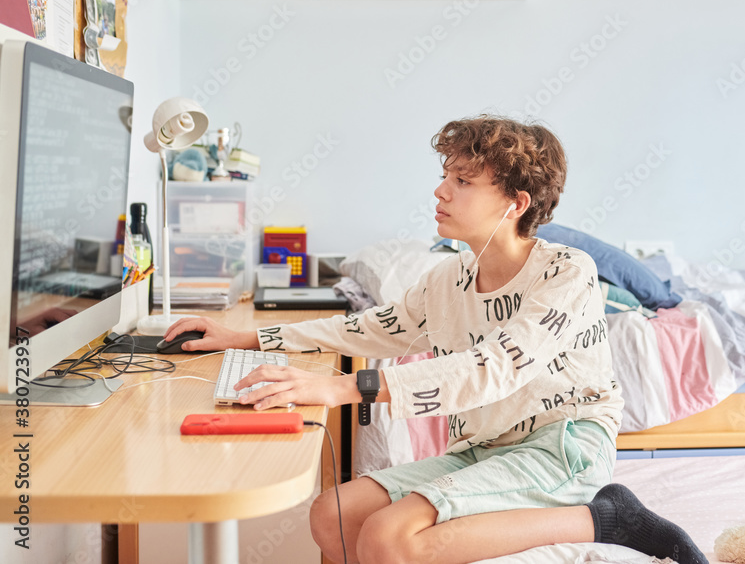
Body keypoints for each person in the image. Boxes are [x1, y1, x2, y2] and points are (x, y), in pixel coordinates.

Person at [164, 115, 707, 564]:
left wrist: (344, 390)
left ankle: (607, 517)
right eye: (447, 175)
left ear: (515, 204)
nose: (440, 190)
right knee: (330, 513)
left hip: (561, 448)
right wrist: (246, 336)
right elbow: (369, 327)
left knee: (387, 536)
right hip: (483, 447)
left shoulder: (568, 272)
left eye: (464, 181)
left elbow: (493, 366)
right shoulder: (449, 279)